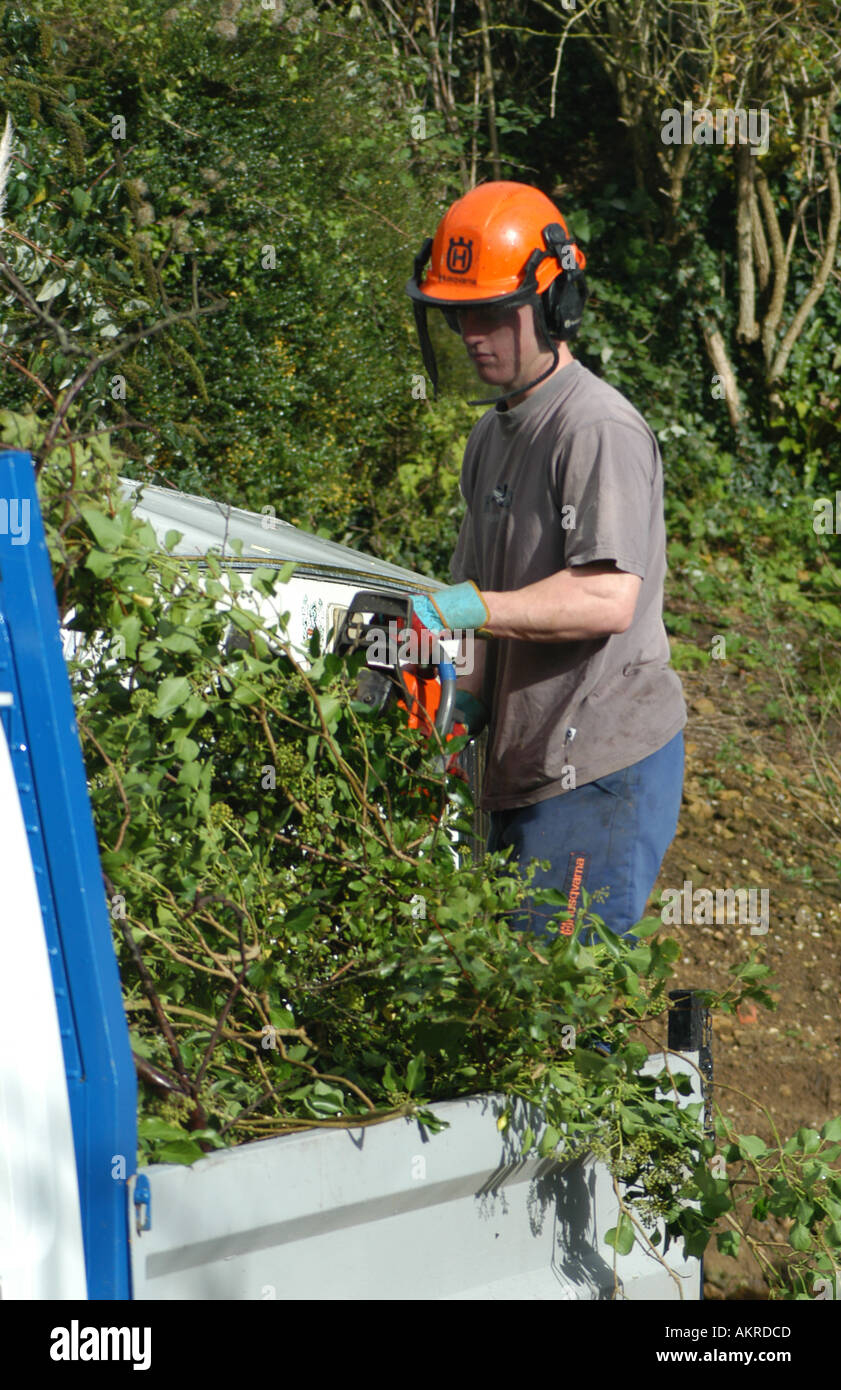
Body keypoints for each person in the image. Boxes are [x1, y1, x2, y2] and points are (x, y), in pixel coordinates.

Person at [405, 181, 686, 941]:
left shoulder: (596, 429)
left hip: (594, 766)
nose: (473, 334)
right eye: (460, 315)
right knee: (504, 1004)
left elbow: (606, 601)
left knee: (558, 1007)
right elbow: (475, 585)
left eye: (493, 313)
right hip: (521, 761)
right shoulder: (490, 435)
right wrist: (455, 703)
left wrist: (471, 610)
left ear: (556, 306)